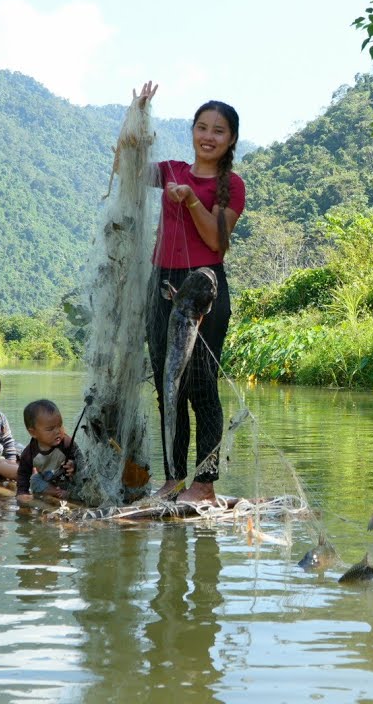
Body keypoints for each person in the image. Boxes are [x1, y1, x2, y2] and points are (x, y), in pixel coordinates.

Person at [133, 81, 245, 503]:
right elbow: (128, 166)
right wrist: (138, 114)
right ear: (192, 131)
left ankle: (204, 484)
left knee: (201, 386)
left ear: (230, 138)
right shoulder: (171, 170)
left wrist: (191, 203)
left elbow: (217, 241)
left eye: (218, 130)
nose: (208, 136)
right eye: (202, 127)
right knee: (168, 387)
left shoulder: (231, 185)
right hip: (161, 283)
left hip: (204, 289)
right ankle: (174, 478)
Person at [16, 399, 80, 504]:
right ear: (33, 433)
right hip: (48, 481)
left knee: (82, 481)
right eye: (50, 429)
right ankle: (56, 492)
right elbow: (23, 473)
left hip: (68, 481)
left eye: (60, 426)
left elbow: (80, 457)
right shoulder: (29, 452)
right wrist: (22, 492)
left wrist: (74, 465)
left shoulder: (67, 443)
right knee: (34, 480)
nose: (58, 431)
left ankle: (70, 493)